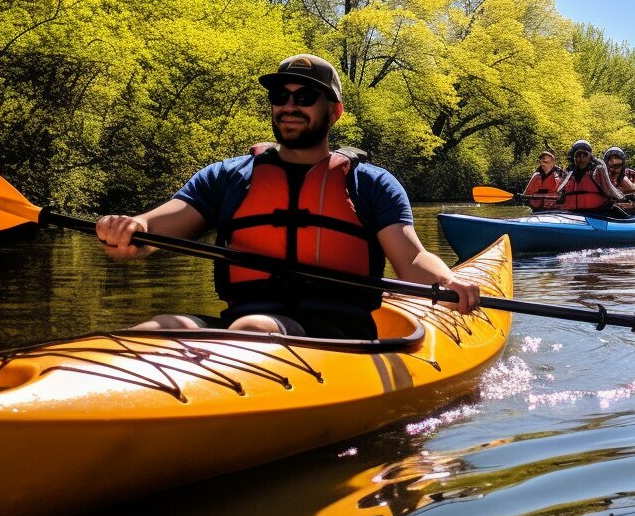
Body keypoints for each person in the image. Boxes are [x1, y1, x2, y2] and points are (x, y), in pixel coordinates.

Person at [95, 53, 482, 340]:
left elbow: (411, 258)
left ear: (335, 112)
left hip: (336, 333)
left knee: (253, 327)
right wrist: (133, 228)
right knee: (156, 328)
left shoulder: (371, 183)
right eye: (281, 95)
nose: (290, 106)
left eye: (306, 97)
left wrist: (448, 281)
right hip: (243, 322)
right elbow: (161, 223)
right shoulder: (227, 177)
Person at [558, 140, 635, 212]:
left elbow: (610, 189)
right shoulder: (569, 174)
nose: (581, 159)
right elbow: (559, 194)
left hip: (597, 215)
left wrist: (623, 198)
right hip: (573, 216)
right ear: (573, 157)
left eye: (584, 155)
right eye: (578, 155)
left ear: (590, 157)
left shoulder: (597, 171)